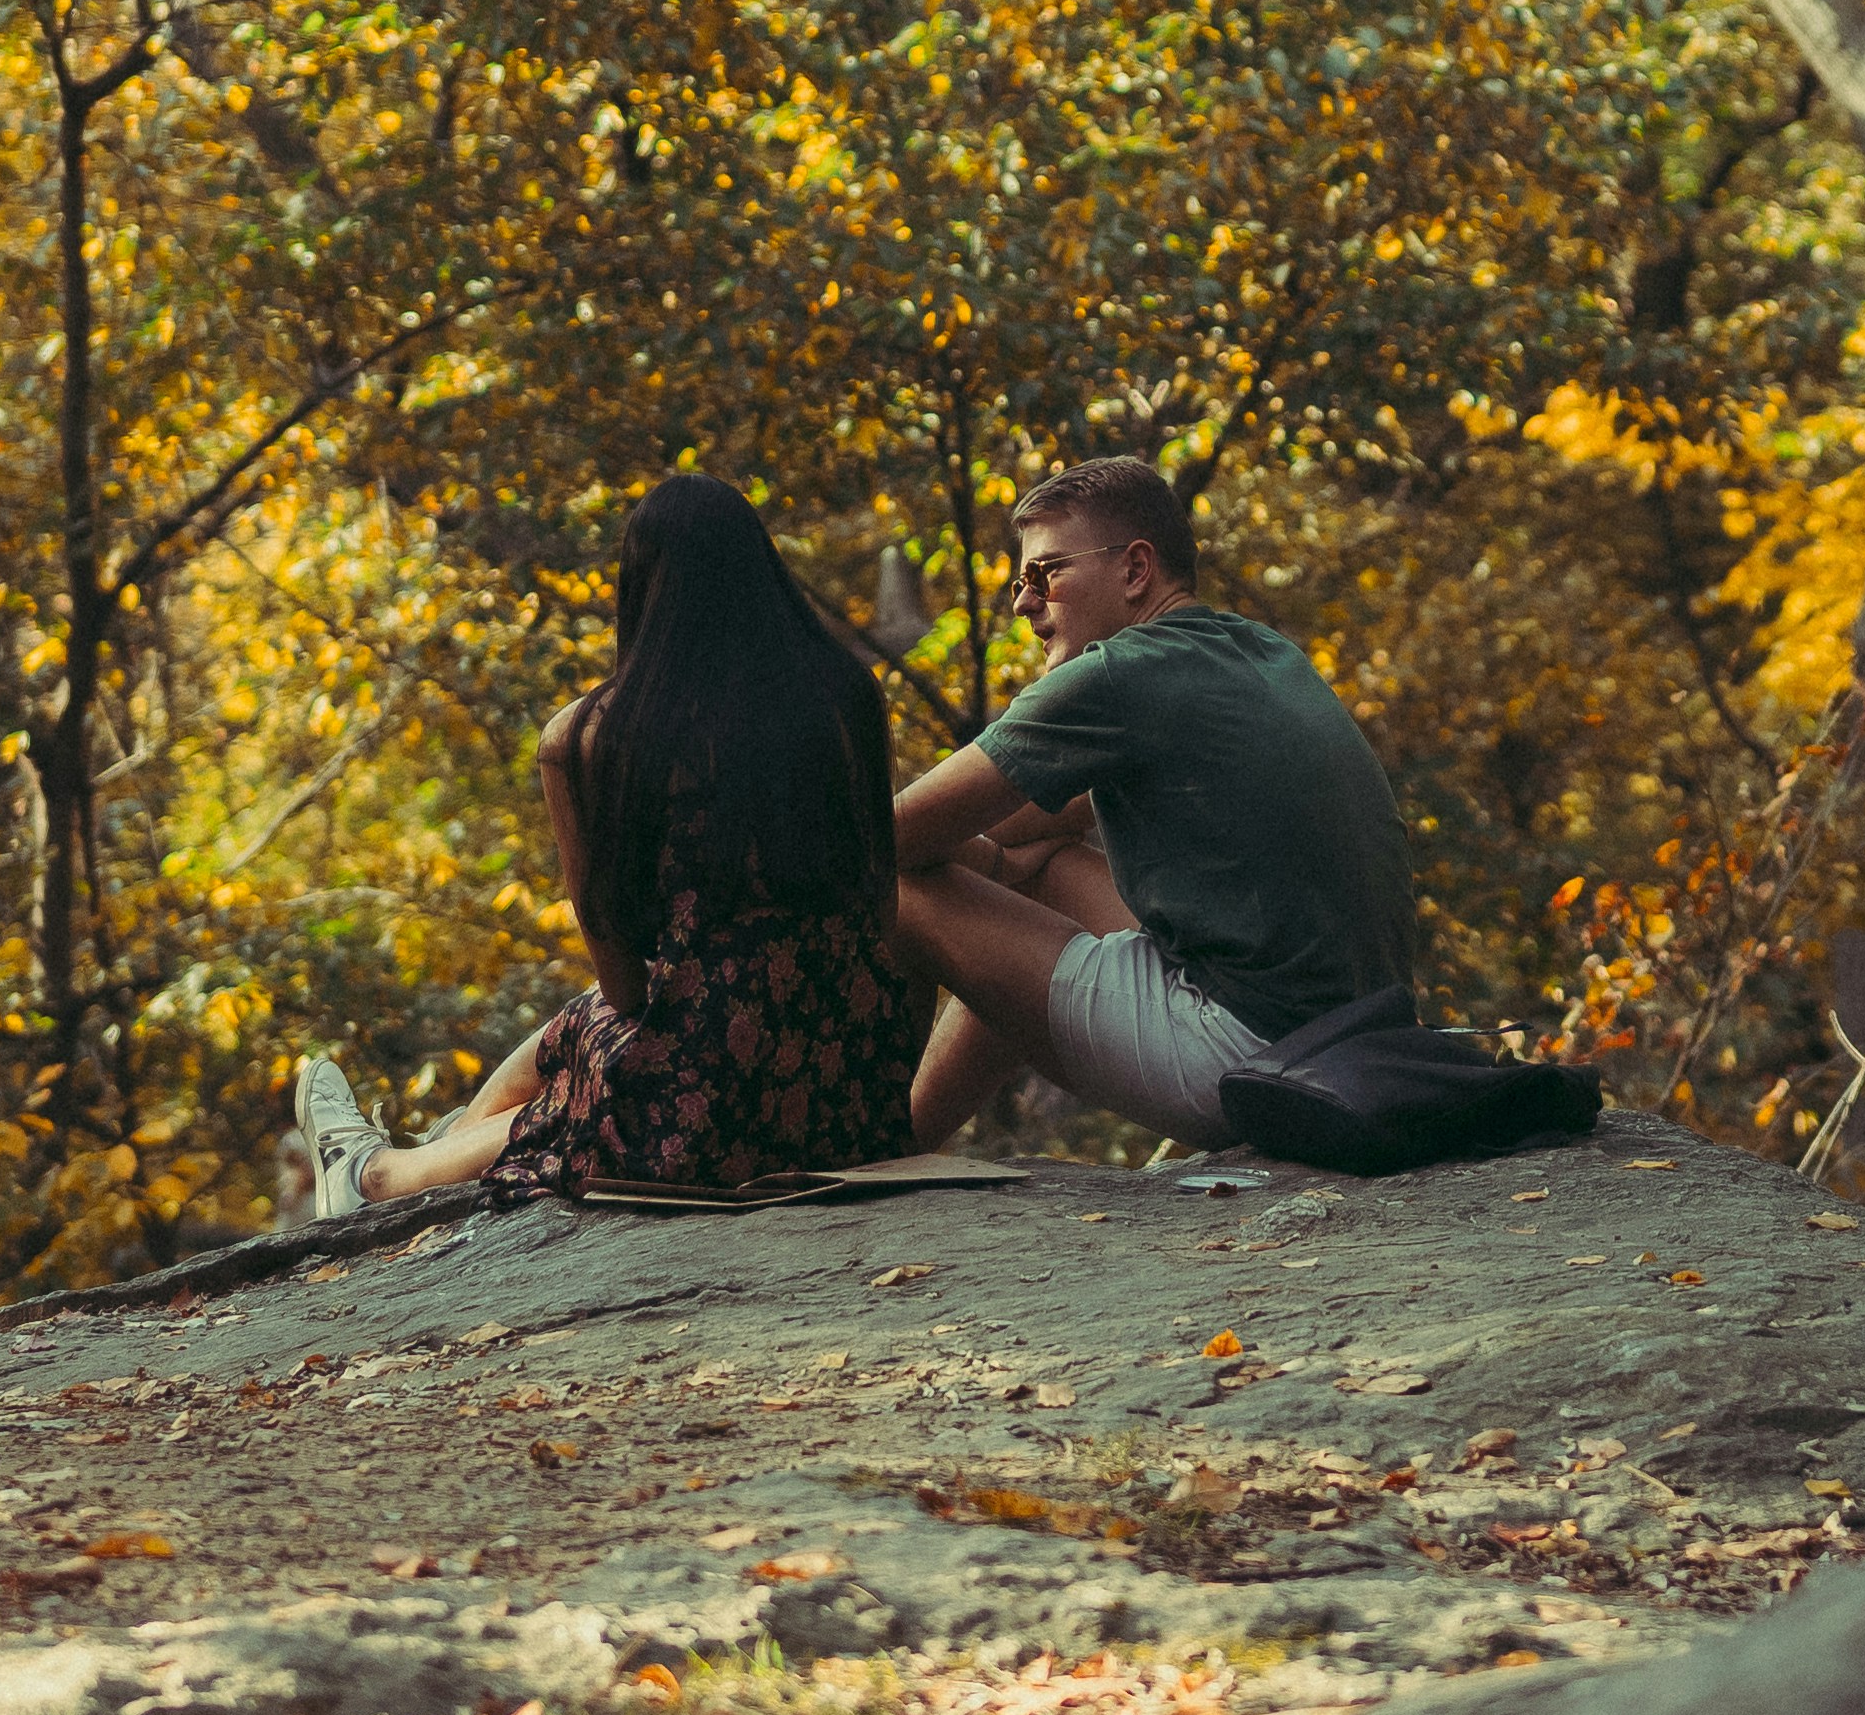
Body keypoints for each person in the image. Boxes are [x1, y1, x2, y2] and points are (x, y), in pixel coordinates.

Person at [287, 475, 921, 1214]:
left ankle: (378, 1175)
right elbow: (881, 909)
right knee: (619, 1026)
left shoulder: (588, 738)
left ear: (639, 588)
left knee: (598, 1029)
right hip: (852, 1101)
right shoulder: (848, 701)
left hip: (699, 1132)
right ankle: (417, 1155)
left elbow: (623, 985)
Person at [887, 456, 1418, 1149]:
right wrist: (987, 855)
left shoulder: (1118, 674)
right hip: (1355, 1046)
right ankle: (904, 1141)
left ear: (1135, 570)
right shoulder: (1255, 651)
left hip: (1257, 1061)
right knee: (1041, 866)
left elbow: (884, 839)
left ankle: (884, 1148)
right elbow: (1015, 824)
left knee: (892, 885)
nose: (1022, 603)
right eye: (1020, 582)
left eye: (1045, 574)